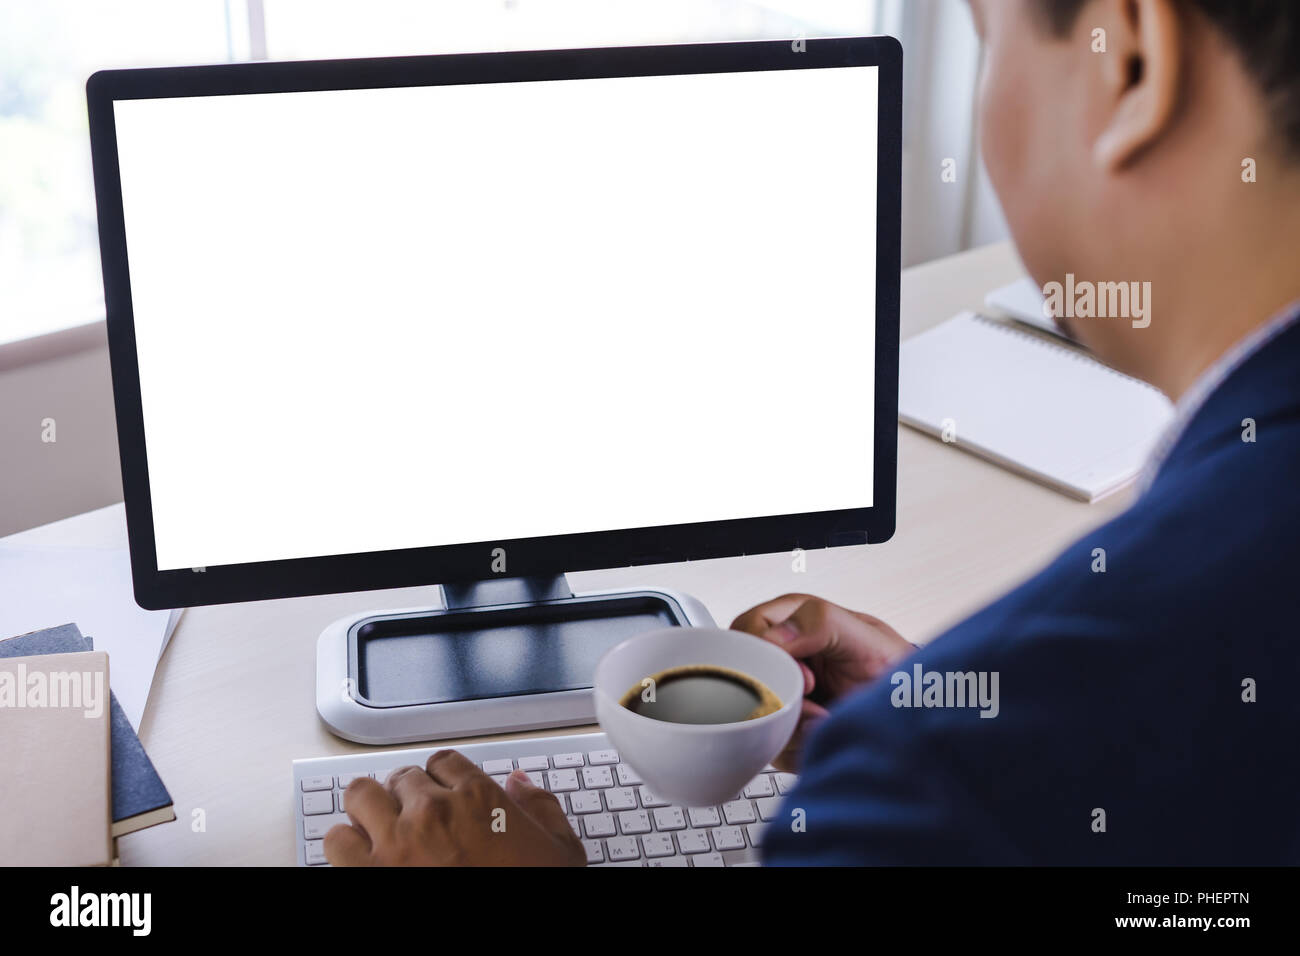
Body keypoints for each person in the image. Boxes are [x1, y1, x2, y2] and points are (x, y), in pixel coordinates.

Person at [323, 0, 1300, 866]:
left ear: (1125, 55)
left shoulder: (922, 795)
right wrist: (959, 694)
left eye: (985, 36)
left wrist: (942, 750)